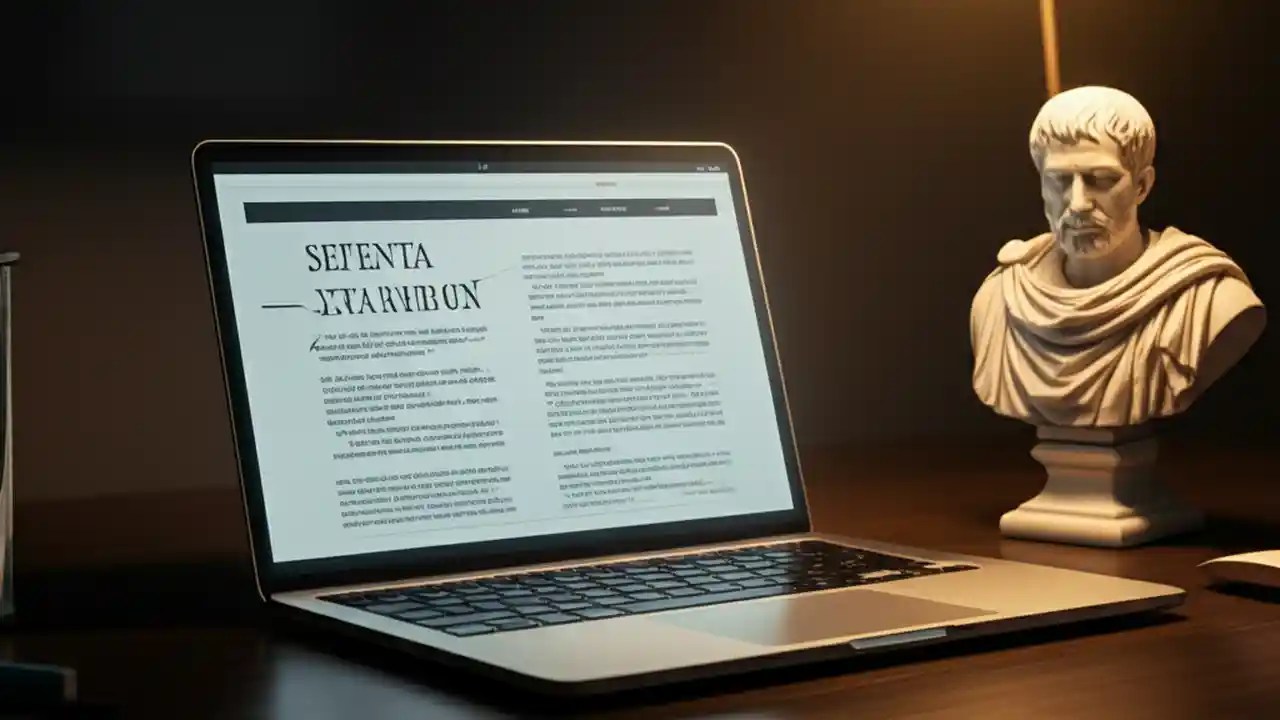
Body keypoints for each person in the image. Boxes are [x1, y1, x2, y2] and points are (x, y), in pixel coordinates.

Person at [970, 85, 1265, 427]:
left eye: (1101, 180)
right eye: (1059, 180)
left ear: (1142, 185)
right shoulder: (1001, 301)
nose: (1078, 203)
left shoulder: (1206, 299)